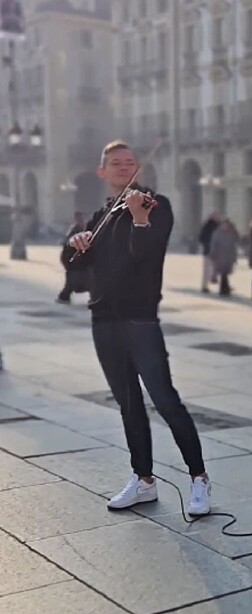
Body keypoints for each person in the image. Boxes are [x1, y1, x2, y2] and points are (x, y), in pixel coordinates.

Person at [64, 141, 210, 515]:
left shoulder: (155, 207)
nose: (125, 167)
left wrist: (139, 218)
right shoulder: (100, 215)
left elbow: (145, 253)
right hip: (104, 320)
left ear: (138, 169)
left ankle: (199, 479)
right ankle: (143, 480)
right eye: (116, 163)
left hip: (140, 319)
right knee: (128, 404)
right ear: (103, 171)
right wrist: (74, 242)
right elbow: (76, 268)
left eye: (130, 162)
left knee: (165, 399)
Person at [57, 212, 91, 304]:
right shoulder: (75, 231)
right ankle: (63, 298)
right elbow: (67, 247)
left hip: (80, 264)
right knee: (72, 284)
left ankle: (64, 297)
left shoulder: (81, 229)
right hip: (76, 264)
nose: (82, 221)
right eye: (80, 219)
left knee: (89, 283)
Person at [208, 219, 239, 296]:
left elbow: (234, 245)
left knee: (225, 273)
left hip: (228, 256)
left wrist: (234, 257)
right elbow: (213, 245)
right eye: (223, 225)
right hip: (219, 256)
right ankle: (223, 289)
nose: (224, 226)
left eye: (226, 225)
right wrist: (212, 255)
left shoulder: (231, 233)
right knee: (223, 273)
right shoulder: (217, 233)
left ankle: (225, 288)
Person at [196, 211, 220, 292]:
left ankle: (217, 283)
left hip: (216, 251)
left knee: (216, 269)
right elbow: (201, 238)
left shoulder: (219, 226)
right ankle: (204, 286)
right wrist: (208, 243)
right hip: (208, 251)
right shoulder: (207, 226)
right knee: (207, 270)